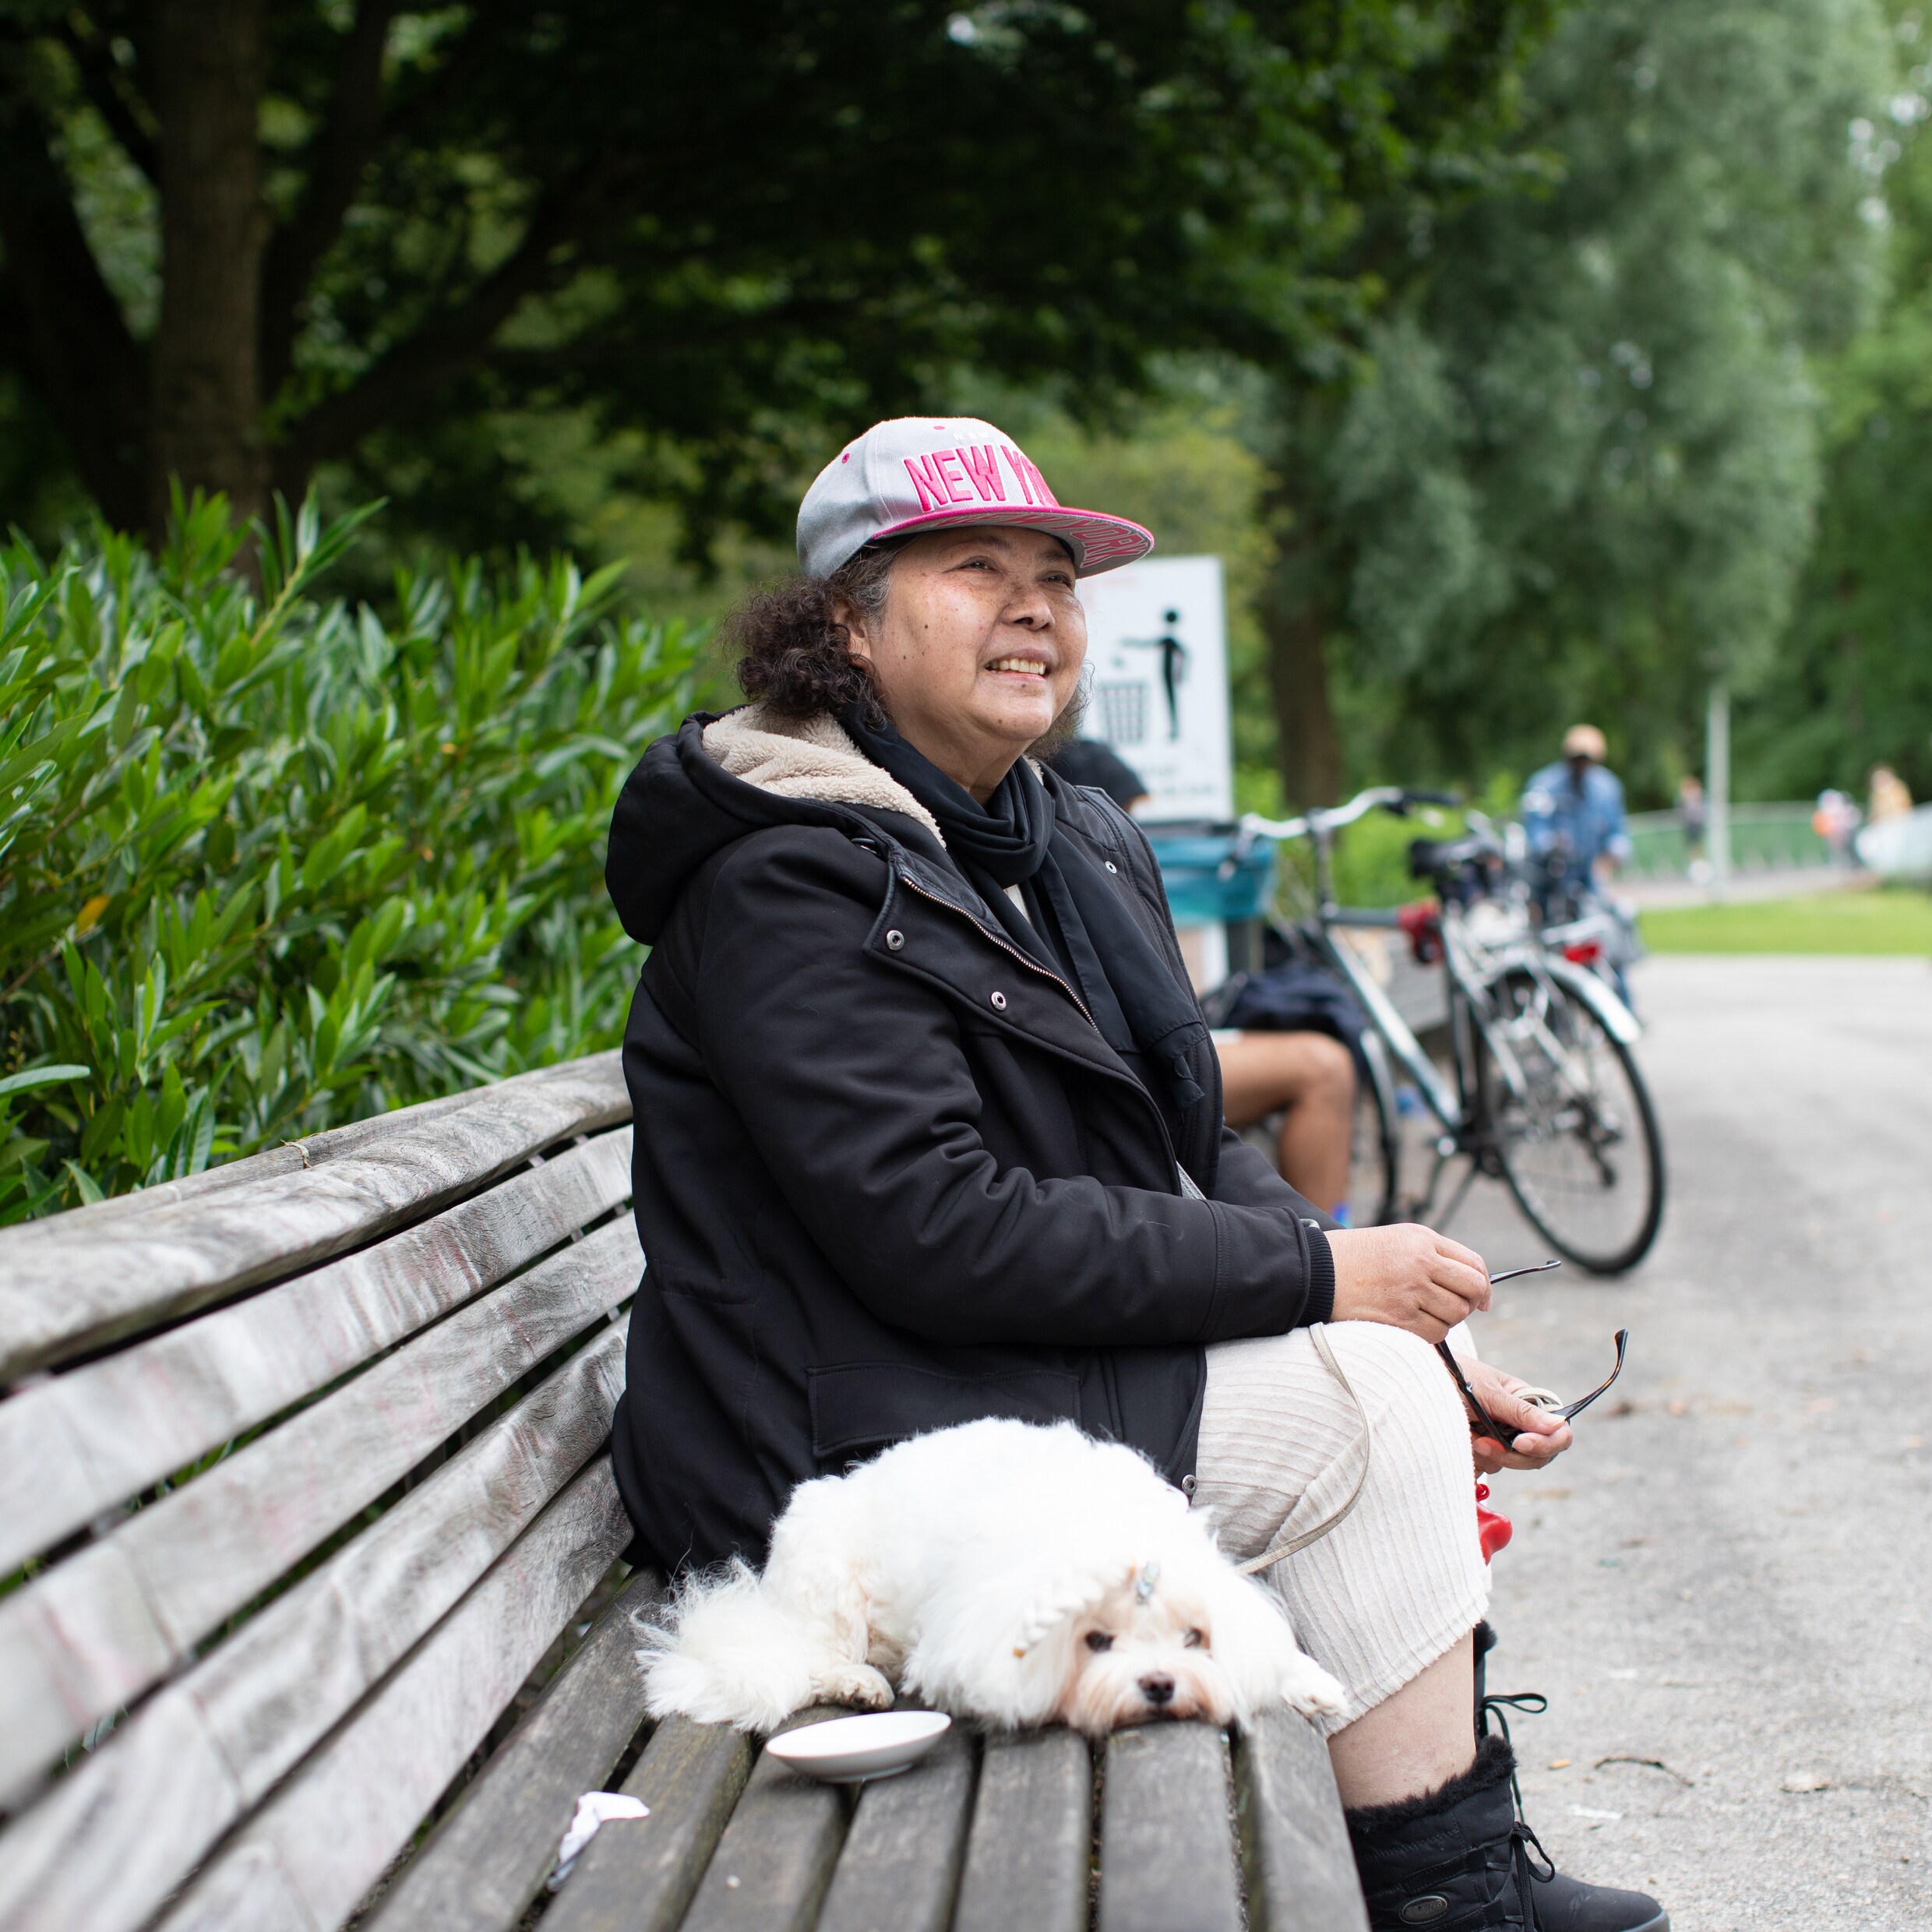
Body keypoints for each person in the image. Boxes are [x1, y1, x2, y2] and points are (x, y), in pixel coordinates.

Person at [604, 415, 1666, 1932]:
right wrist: (1319, 1282)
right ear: (843, 624)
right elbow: (937, 1229)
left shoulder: (1055, 837)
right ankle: (1443, 1891)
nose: (1035, 604)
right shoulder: (786, 873)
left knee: (1390, 1366)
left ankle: (1445, 1861)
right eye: (976, 570)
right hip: (841, 1451)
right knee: (1360, 1414)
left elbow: (1184, 1136)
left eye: (1056, 574)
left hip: (975, 1376)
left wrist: (1386, 1298)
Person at [1520, 724, 1632, 908]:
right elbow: (1536, 831)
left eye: (1587, 759)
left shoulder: (1607, 789)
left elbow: (1617, 833)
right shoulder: (1544, 785)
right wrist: (1552, 845)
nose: (1582, 764)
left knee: (1619, 914)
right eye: (1577, 758)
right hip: (1549, 879)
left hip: (1591, 875)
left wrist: (1613, 854)